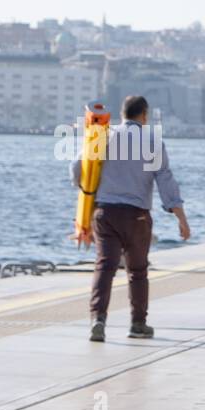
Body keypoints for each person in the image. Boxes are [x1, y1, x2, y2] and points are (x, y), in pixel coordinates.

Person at [74, 94, 190, 343]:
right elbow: (165, 180)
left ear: (122, 113)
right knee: (137, 271)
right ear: (144, 115)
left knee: (104, 266)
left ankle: (98, 321)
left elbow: (77, 168)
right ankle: (138, 324)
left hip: (105, 213)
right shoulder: (152, 141)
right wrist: (180, 217)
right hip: (137, 216)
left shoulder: (103, 135)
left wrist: (88, 194)